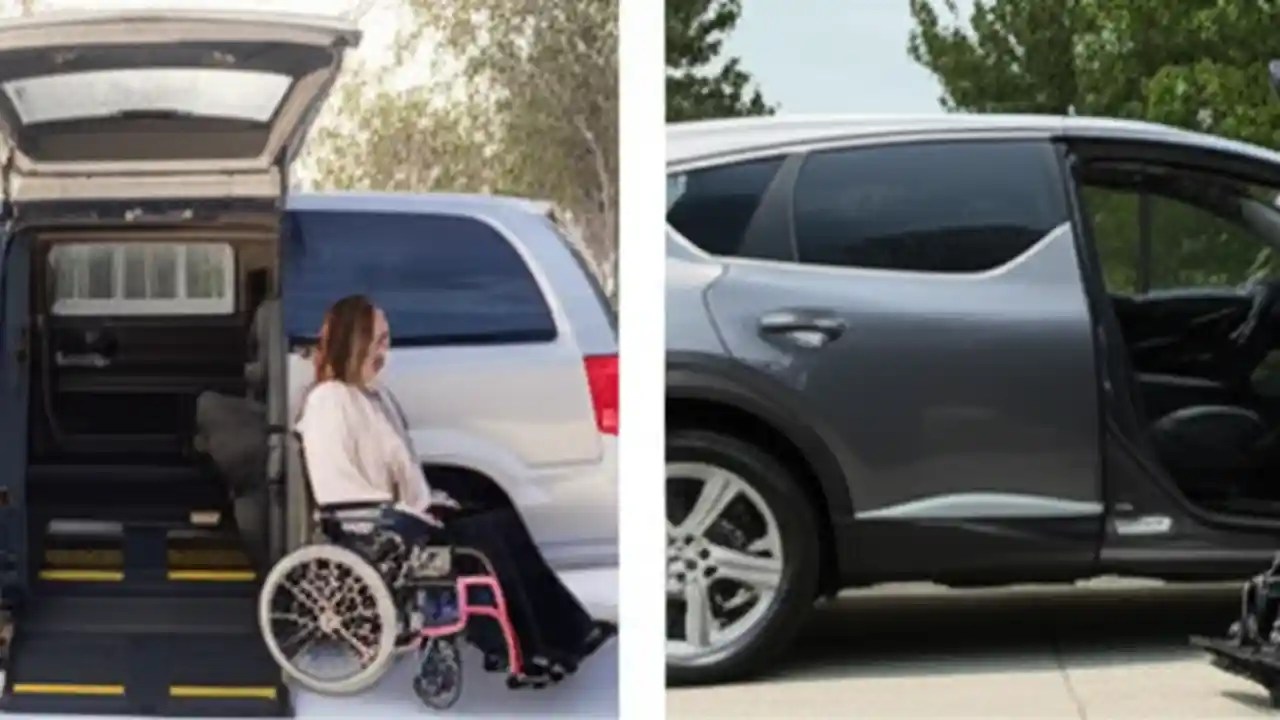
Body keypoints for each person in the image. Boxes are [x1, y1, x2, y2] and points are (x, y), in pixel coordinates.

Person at [294, 294, 615, 681]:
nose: (385, 352)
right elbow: (335, 486)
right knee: (484, 538)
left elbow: (402, 465)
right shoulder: (329, 402)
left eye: (386, 340)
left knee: (502, 519)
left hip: (403, 514)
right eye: (378, 341)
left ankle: (568, 630)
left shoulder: (373, 396)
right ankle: (528, 650)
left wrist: (427, 502)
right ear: (354, 342)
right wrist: (403, 513)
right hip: (376, 526)